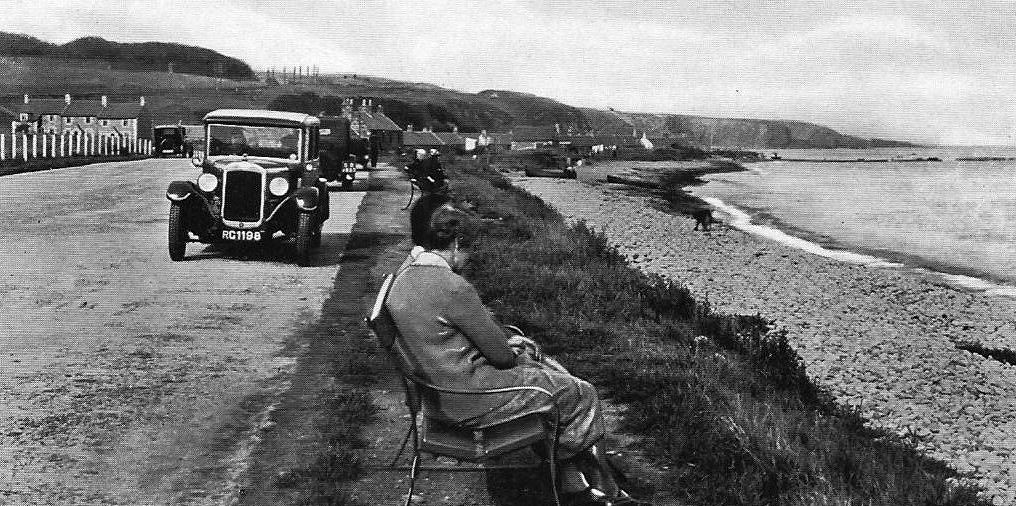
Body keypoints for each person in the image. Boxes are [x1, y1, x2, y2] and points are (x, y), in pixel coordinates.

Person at [386, 193, 645, 505]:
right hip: (472, 399)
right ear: (456, 244)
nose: (468, 258)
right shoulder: (451, 286)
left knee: (548, 374)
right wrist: (508, 345)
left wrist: (499, 342)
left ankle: (573, 479)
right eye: (468, 249)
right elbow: (502, 358)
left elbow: (444, 334)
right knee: (581, 393)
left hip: (441, 394)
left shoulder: (404, 277)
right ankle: (602, 490)